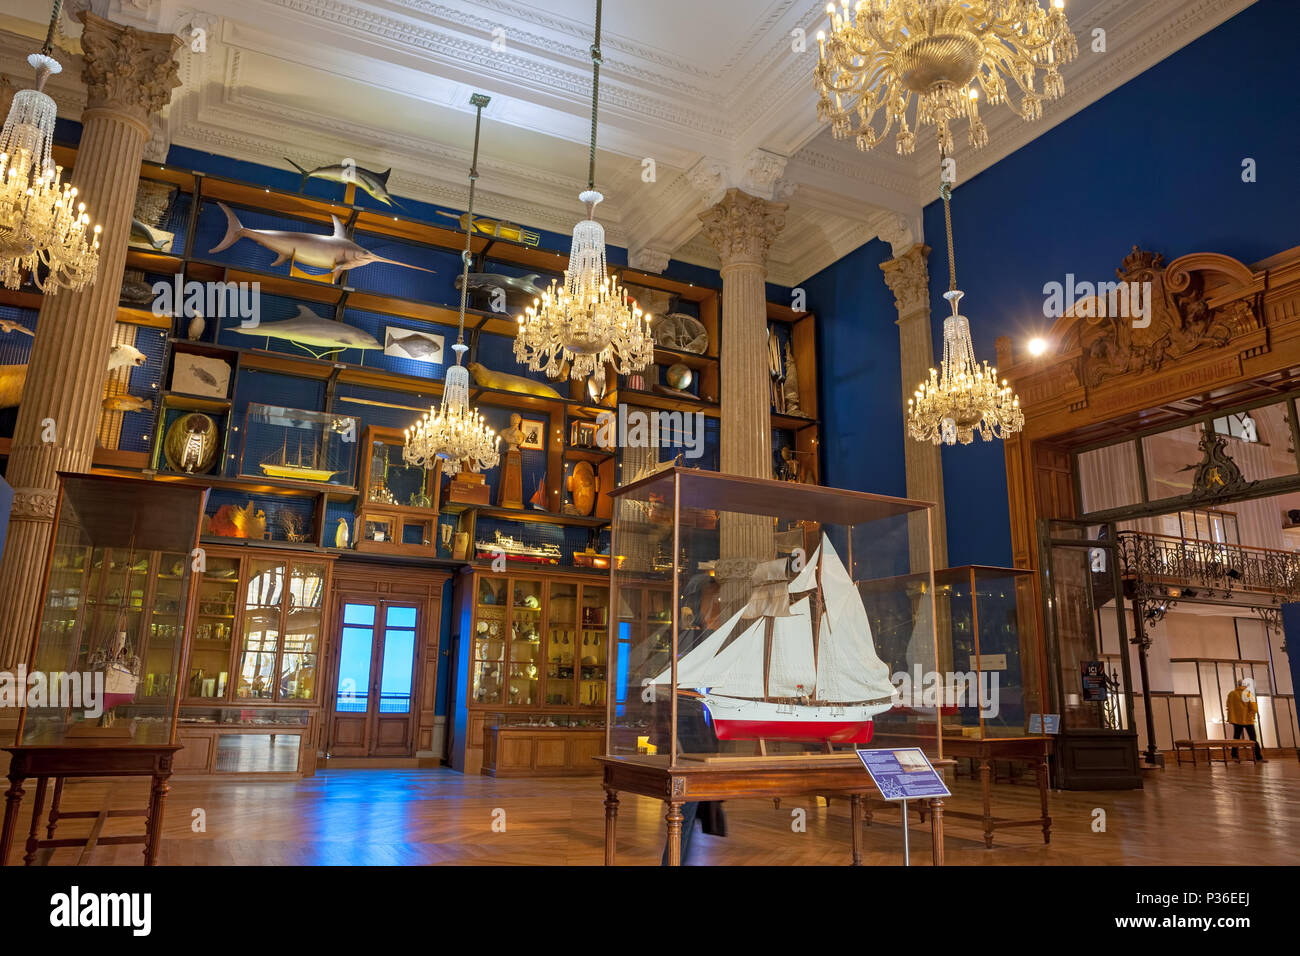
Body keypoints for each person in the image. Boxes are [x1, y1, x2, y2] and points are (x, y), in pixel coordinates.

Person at [1225, 677, 1264, 762]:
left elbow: (1228, 705)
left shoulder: (1231, 694)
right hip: (1248, 720)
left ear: (1238, 685)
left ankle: (1234, 755)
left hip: (1236, 720)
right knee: (1253, 739)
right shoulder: (1248, 694)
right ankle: (1258, 756)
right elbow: (1253, 707)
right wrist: (1253, 715)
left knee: (1236, 739)